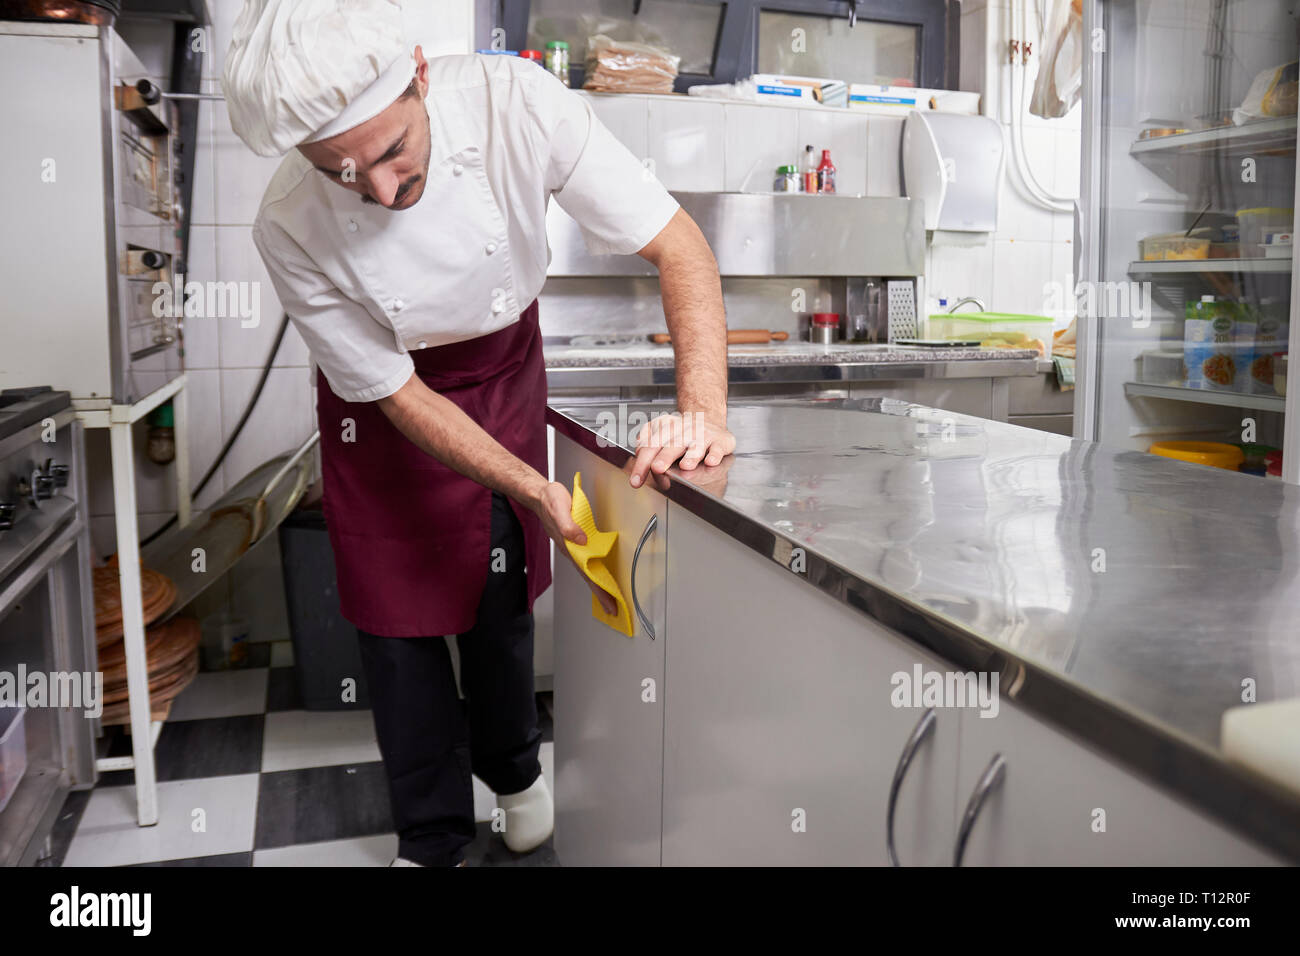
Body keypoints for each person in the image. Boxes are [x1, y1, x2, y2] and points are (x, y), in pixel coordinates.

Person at [221, 0, 735, 867]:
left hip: (500, 373)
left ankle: (515, 773)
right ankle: (428, 832)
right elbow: (396, 393)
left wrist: (704, 413)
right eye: (343, 173)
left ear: (420, 73)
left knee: (498, 598)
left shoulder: (517, 105)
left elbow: (678, 245)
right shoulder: (285, 224)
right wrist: (533, 484)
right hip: (386, 410)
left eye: (390, 151)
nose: (380, 192)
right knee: (395, 628)